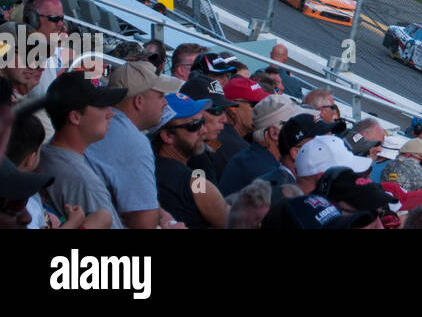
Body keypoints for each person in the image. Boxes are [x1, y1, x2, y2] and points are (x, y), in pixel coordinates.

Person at [85, 61, 182, 228]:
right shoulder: (132, 140)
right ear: (138, 101)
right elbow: (144, 224)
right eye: (160, 96)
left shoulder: (103, 124)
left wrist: (162, 215)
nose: (166, 103)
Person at [37, 71, 128, 228]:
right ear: (75, 117)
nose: (111, 113)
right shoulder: (83, 181)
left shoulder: (43, 154)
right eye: (102, 106)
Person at [153, 92, 227, 228]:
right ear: (168, 136)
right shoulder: (198, 186)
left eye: (202, 121)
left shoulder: (143, 169)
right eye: (194, 125)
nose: (203, 130)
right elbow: (234, 223)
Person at [218, 94, 302, 195]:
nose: (301, 132)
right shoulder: (267, 175)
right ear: (274, 133)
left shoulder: (252, 158)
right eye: (295, 126)